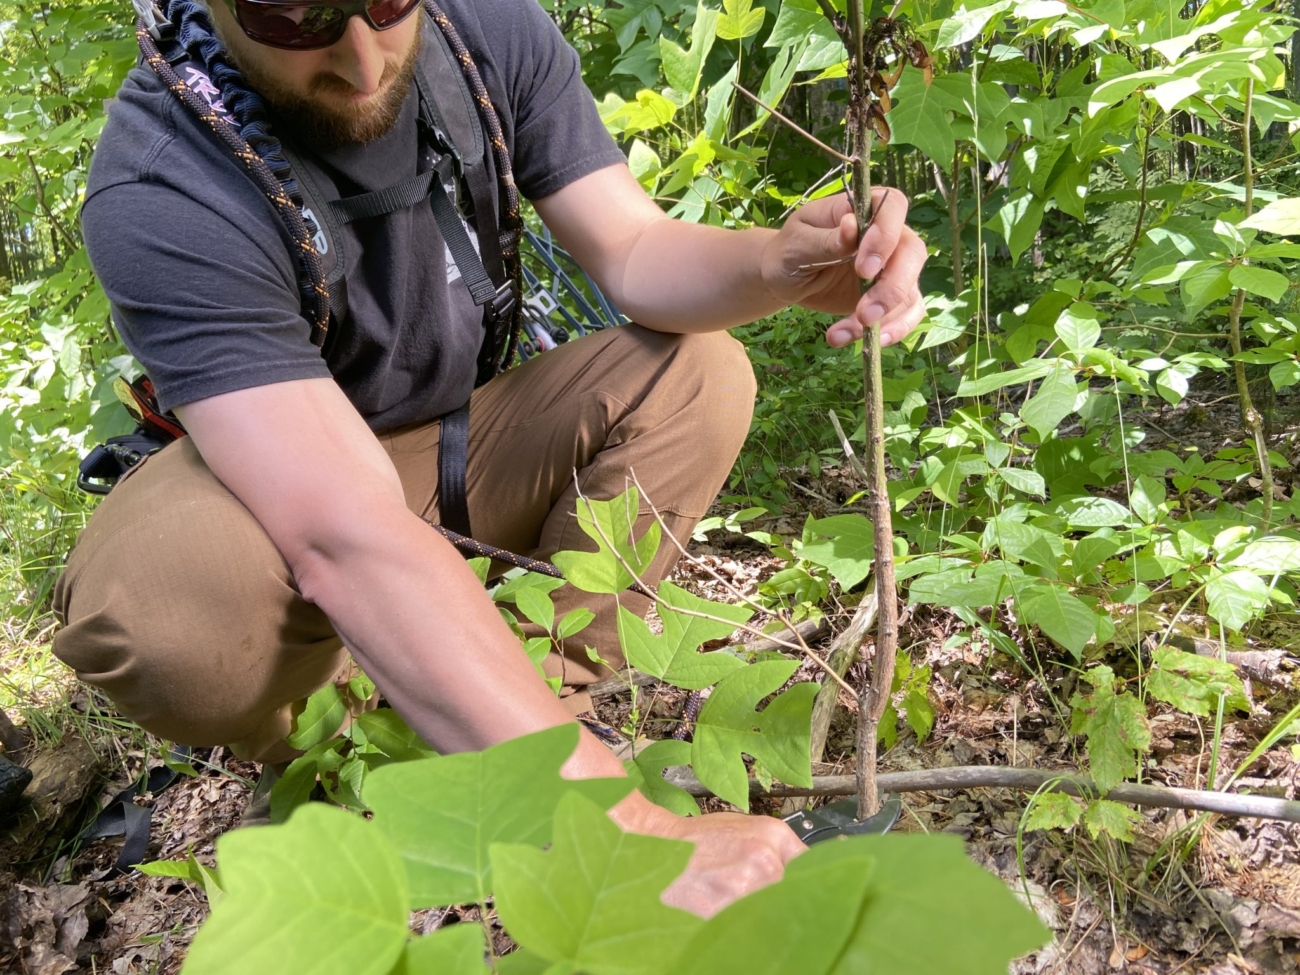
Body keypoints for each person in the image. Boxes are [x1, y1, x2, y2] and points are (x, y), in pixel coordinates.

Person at [52, 0, 927, 917]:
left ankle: (529, 711)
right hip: (274, 480)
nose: (361, 60)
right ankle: (351, 753)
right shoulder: (163, 180)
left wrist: (774, 264)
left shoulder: (483, 34)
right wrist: (624, 828)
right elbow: (343, 530)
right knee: (158, 616)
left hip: (456, 445)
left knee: (698, 370)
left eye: (387, 3)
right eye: (296, 15)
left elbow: (632, 247)